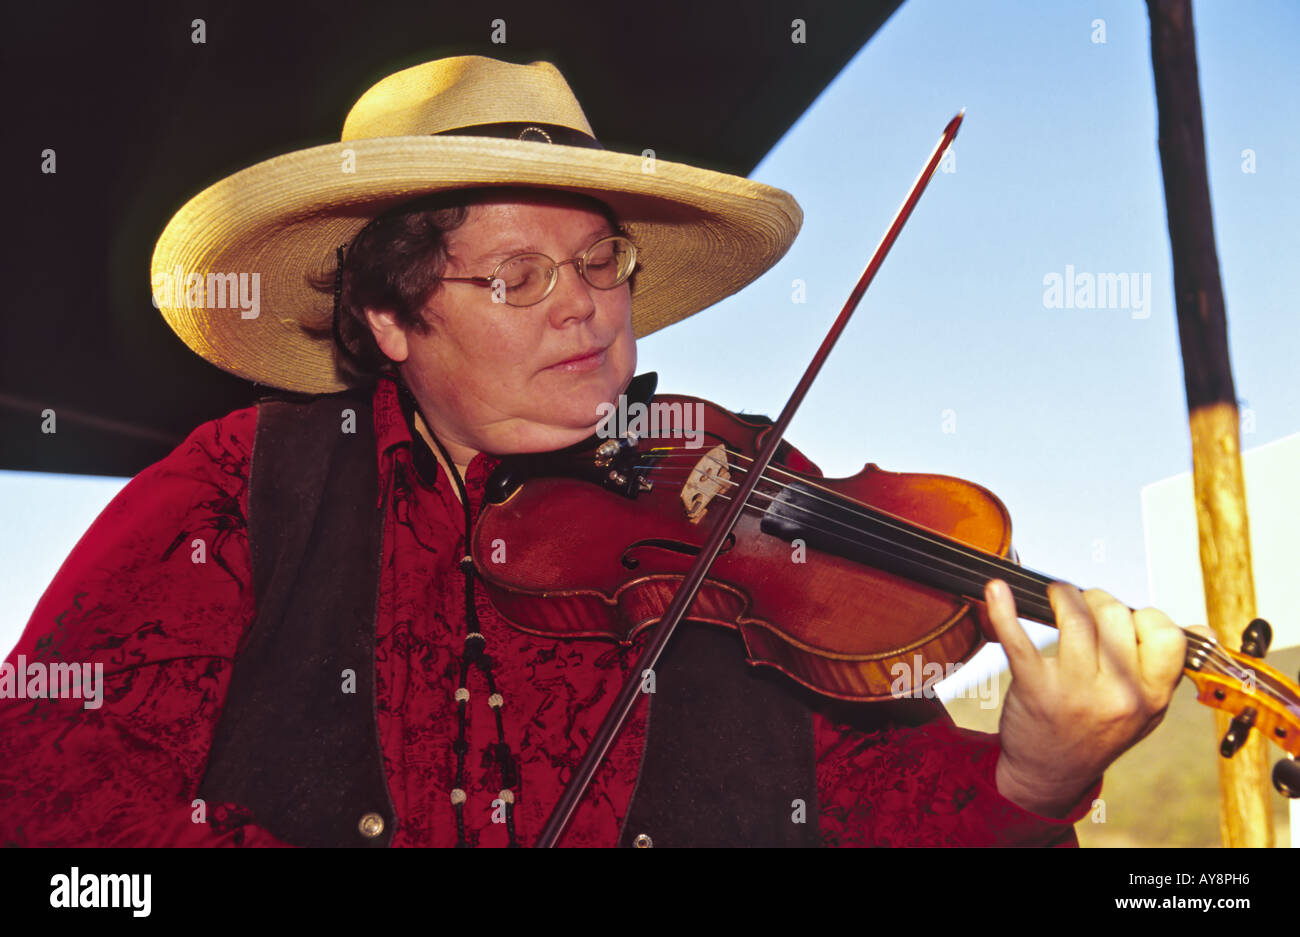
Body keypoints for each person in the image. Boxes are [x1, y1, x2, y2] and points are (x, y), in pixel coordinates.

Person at [0, 55, 1186, 848]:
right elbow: (49, 795)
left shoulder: (742, 477)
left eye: (599, 261)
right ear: (391, 318)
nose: (585, 307)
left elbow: (874, 804)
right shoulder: (236, 491)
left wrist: (1031, 779)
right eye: (517, 275)